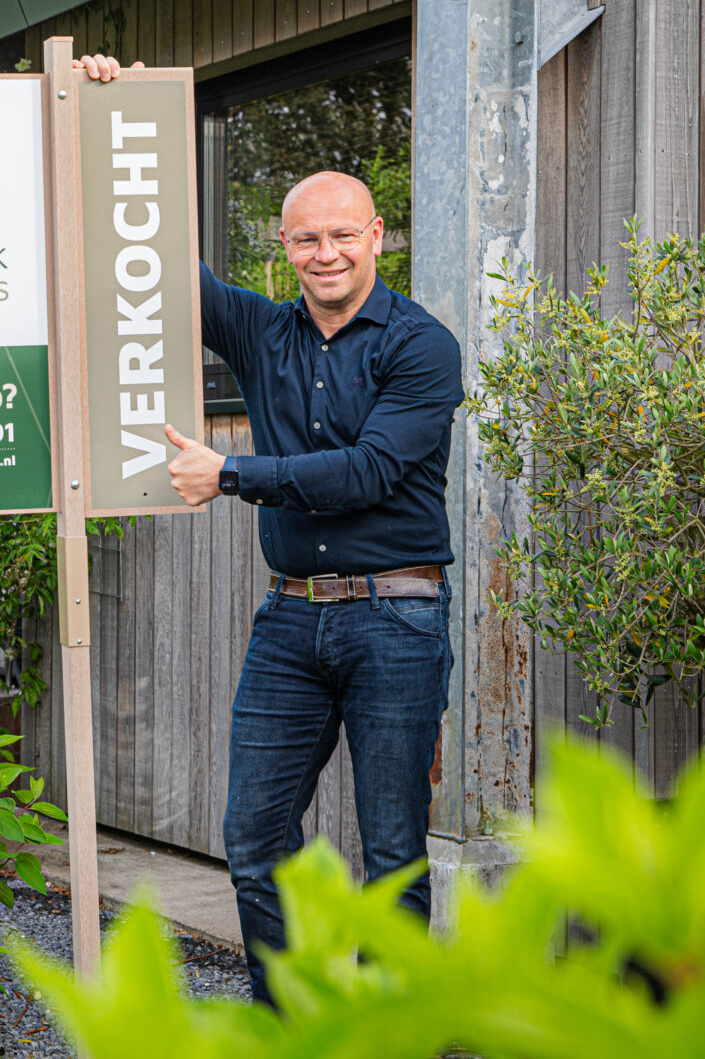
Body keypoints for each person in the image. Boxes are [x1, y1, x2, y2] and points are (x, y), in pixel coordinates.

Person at [72, 54, 465, 1006]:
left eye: (342, 235)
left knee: (392, 855)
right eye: (304, 240)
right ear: (282, 246)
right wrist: (110, 112)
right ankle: (290, 1023)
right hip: (289, 624)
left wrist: (234, 474)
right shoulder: (259, 331)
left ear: (378, 236)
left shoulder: (423, 346)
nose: (324, 254)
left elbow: (370, 472)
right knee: (253, 837)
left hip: (396, 622)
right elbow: (154, 252)